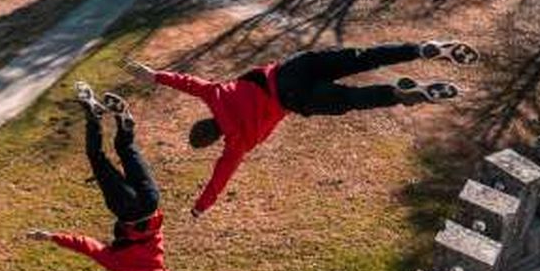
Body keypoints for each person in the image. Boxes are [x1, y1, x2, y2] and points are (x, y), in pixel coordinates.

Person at [128, 41, 479, 217]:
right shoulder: (215, 93)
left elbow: (219, 178)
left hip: (296, 99)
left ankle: (400, 95)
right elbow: (187, 82)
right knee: (363, 57)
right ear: (204, 121)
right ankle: (419, 49)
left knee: (352, 99)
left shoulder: (236, 144)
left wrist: (200, 207)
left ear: (214, 139)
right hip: (293, 69)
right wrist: (153, 75)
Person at [27, 83, 169, 271]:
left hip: (151, 201)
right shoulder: (119, 267)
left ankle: (124, 121)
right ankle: (93, 114)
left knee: (126, 148)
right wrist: (50, 236)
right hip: (127, 210)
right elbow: (86, 244)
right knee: (97, 157)